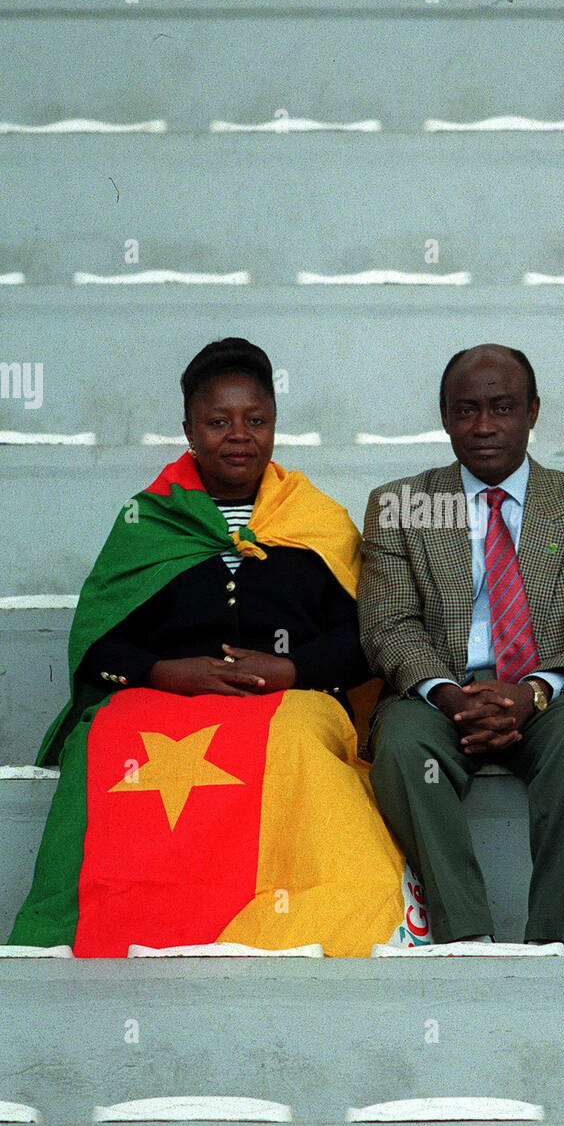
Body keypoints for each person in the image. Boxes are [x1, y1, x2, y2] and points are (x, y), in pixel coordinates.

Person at [9, 338, 429, 957]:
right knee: (110, 737)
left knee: (297, 739)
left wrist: (292, 668)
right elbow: (100, 643)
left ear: (275, 425)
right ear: (187, 429)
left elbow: (369, 639)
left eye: (255, 420)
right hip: (160, 702)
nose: (239, 435)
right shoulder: (146, 522)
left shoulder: (316, 520)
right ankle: (108, 928)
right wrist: (163, 671)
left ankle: (335, 920)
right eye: (217, 421)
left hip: (290, 702)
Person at [357, 343, 564, 952]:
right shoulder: (400, 506)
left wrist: (533, 692)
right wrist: (453, 697)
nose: (483, 426)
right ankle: (467, 936)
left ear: (534, 411)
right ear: (445, 417)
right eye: (465, 410)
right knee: (403, 751)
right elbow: (389, 627)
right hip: (436, 694)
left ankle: (551, 939)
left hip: (550, 693)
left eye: (503, 407)